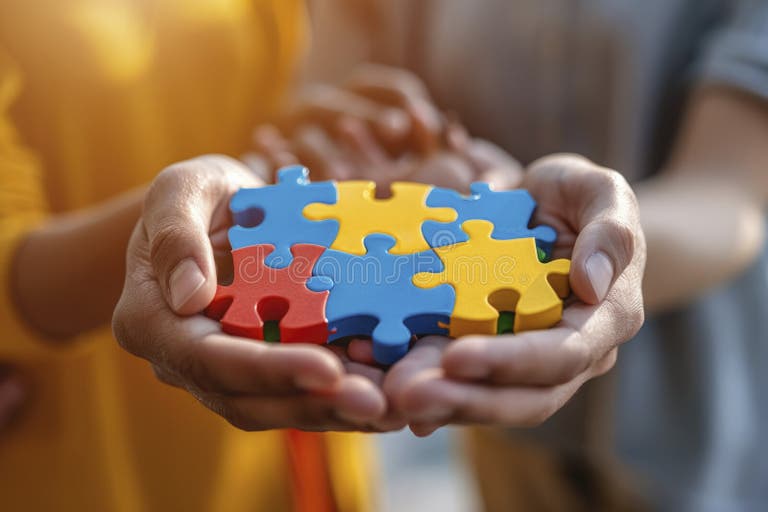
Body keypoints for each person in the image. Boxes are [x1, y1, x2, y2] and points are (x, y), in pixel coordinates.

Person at [288, 0, 768, 510]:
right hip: (500, 421)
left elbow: (727, 194)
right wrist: (355, 140)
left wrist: (564, 251)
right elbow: (331, 101)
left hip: (704, 426)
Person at [0, 2, 383, 510]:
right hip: (98, 447)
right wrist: (237, 199)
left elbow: (258, 96)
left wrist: (327, 134)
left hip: (291, 410)